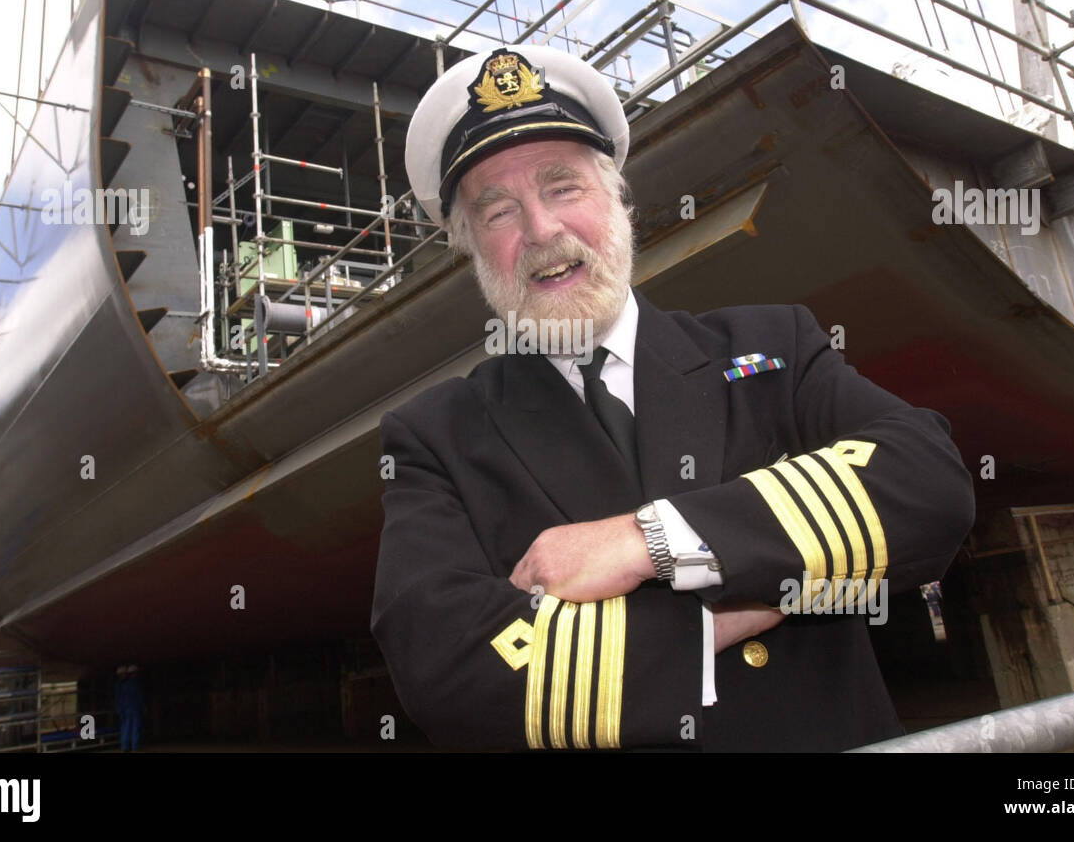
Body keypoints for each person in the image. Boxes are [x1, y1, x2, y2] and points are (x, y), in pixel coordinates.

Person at [371, 44, 975, 751]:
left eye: (563, 186)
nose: (541, 231)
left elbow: (930, 485)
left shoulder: (772, 344)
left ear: (618, 198)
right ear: (470, 247)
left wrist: (646, 542)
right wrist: (734, 609)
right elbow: (446, 669)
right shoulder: (435, 437)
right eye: (498, 211)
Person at [114, 664, 142, 752]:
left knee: (125, 728)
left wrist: (119, 709)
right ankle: (135, 747)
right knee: (135, 728)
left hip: (124, 709)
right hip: (134, 709)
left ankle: (125, 747)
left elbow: (118, 698)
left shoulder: (121, 685)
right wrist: (143, 707)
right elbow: (139, 697)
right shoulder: (135, 683)